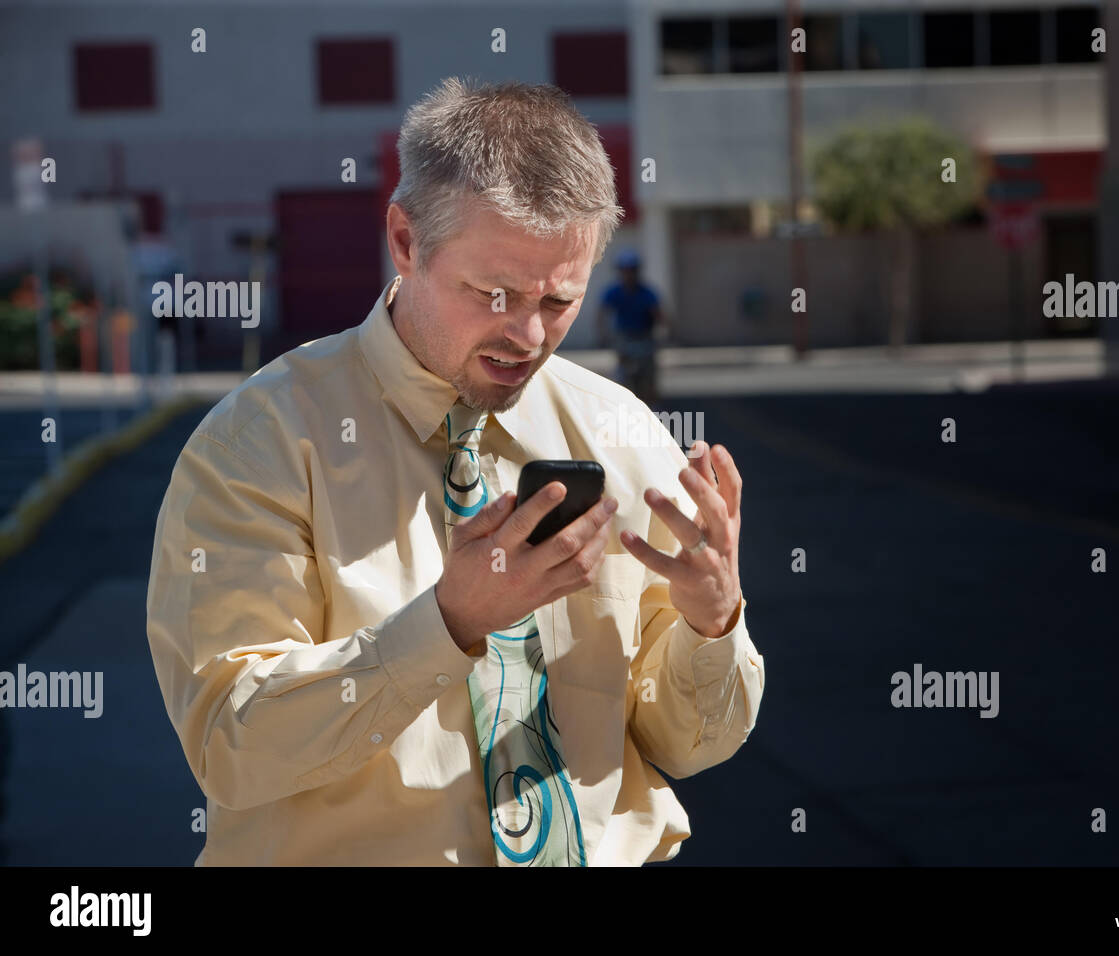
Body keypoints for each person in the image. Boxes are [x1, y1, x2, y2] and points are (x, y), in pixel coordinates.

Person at [144, 78, 764, 867]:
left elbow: (688, 745)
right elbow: (232, 742)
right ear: (405, 240)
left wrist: (712, 622)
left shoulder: (625, 434)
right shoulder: (258, 444)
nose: (529, 334)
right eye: (493, 293)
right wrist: (447, 624)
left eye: (560, 299)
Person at [597, 249, 666, 404]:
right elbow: (602, 314)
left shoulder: (647, 292)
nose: (628, 275)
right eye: (625, 271)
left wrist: (667, 332)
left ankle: (651, 409)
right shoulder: (614, 292)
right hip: (624, 338)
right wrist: (603, 335)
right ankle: (625, 406)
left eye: (632, 270)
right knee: (623, 376)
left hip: (644, 337)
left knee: (648, 376)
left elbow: (659, 314)